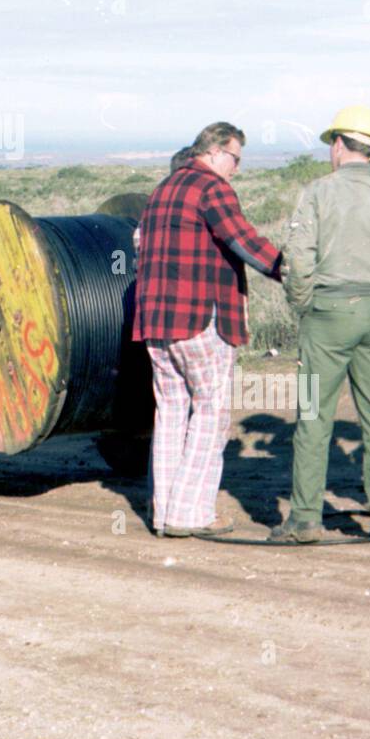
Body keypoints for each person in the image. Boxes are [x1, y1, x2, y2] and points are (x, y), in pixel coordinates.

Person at [271, 106, 370, 545]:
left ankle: (304, 520)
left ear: (339, 144)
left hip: (328, 314)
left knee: (311, 414)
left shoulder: (318, 192)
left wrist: (302, 304)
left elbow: (298, 259)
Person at [133, 122, 283, 538]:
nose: (236, 168)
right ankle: (190, 514)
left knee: (171, 414)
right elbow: (244, 240)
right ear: (216, 152)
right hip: (200, 322)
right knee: (212, 413)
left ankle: (164, 513)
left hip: (156, 324)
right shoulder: (211, 187)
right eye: (235, 159)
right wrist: (288, 268)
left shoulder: (162, 191)